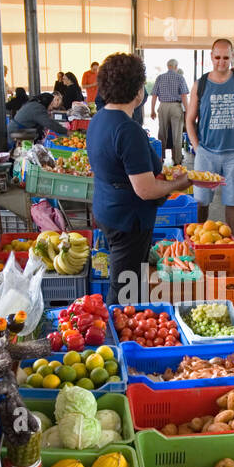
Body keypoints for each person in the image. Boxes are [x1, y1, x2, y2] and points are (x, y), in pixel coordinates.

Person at [87, 54, 187, 303]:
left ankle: (125, 325)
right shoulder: (127, 129)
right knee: (124, 291)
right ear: (138, 92)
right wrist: (182, 183)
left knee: (130, 281)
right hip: (127, 220)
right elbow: (145, 190)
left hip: (108, 210)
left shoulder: (98, 119)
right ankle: (113, 337)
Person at [186, 40, 234, 236]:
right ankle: (198, 239)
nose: (221, 62)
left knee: (233, 202)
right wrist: (198, 148)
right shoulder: (201, 84)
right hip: (207, 152)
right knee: (201, 201)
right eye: (217, 57)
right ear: (211, 57)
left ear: (232, 57)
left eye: (226, 57)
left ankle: (233, 244)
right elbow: (189, 119)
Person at [150, 58, 190, 165]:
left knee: (162, 132)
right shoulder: (180, 77)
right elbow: (184, 96)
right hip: (176, 106)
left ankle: (161, 157)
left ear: (168, 66)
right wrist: (188, 111)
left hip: (163, 106)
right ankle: (177, 159)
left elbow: (154, 95)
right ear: (176, 67)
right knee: (177, 134)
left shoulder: (160, 77)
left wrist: (152, 110)